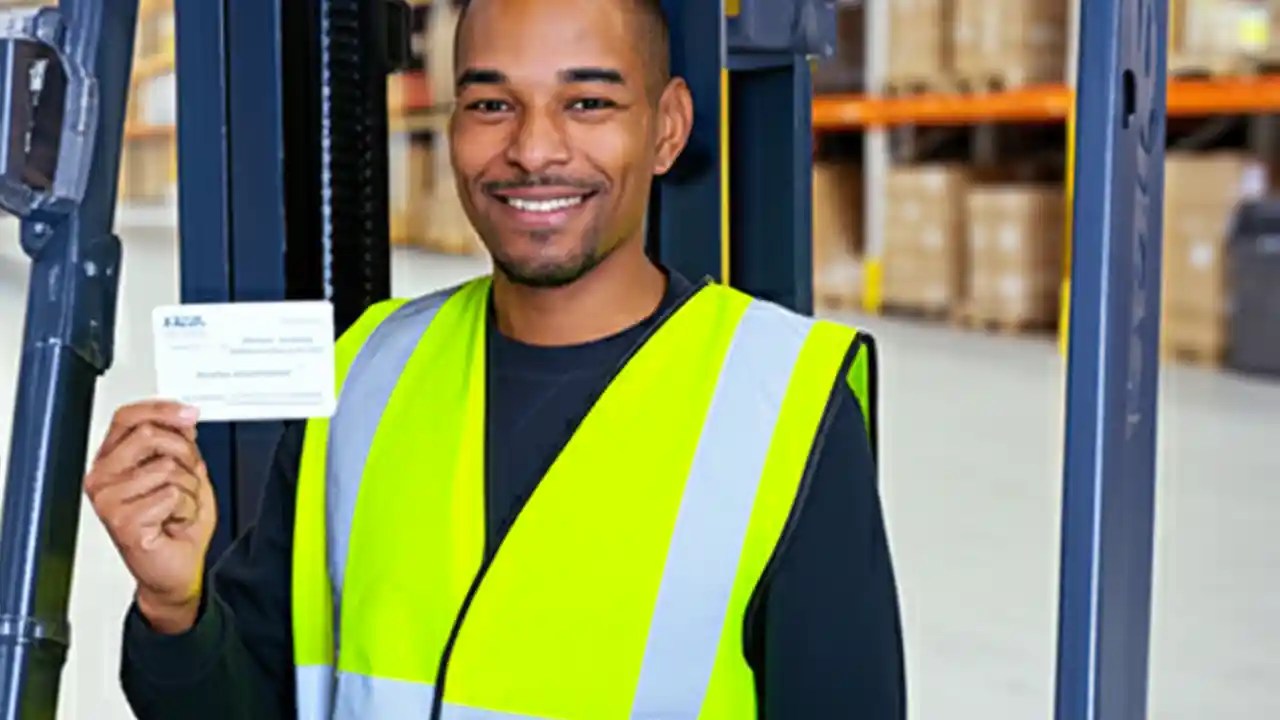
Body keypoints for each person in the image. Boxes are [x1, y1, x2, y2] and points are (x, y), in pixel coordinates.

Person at [85, 0, 905, 717]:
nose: (533, 149)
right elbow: (252, 701)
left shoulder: (783, 404)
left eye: (587, 102)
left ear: (666, 128)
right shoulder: (367, 373)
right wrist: (175, 606)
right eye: (490, 104)